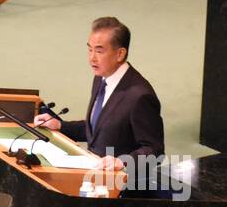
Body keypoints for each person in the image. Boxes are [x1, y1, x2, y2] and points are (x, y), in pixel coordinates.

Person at [33, 17, 164, 175]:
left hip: (122, 187)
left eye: (99, 51)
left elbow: (154, 150)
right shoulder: (101, 78)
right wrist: (60, 125)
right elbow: (99, 129)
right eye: (90, 49)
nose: (92, 58)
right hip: (94, 176)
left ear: (120, 54)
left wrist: (121, 162)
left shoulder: (140, 96)